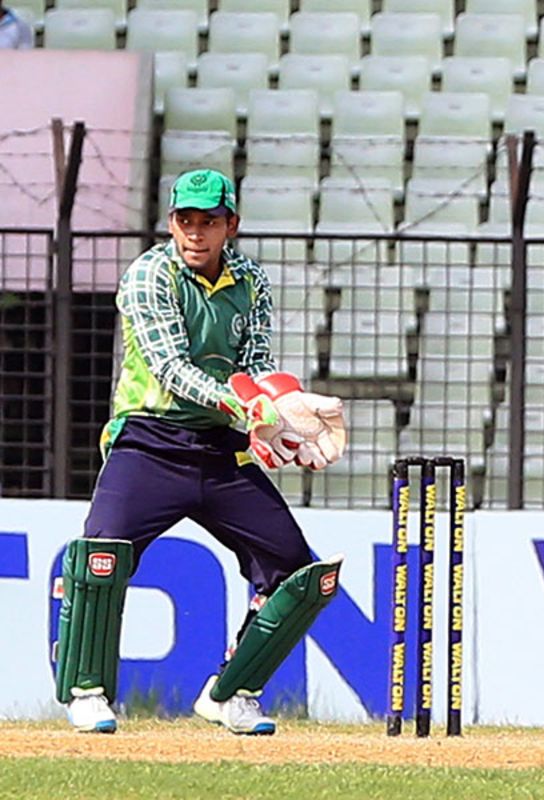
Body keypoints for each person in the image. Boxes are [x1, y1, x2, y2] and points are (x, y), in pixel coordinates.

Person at [54, 169, 348, 736]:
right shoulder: (148, 274)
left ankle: (231, 693)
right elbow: (171, 368)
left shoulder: (251, 280)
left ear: (230, 225)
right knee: (101, 556)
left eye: (208, 222)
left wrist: (285, 409)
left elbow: (256, 363)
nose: (194, 232)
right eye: (184, 220)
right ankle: (86, 691)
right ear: (171, 223)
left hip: (221, 448)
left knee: (297, 572)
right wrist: (249, 409)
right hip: (149, 438)